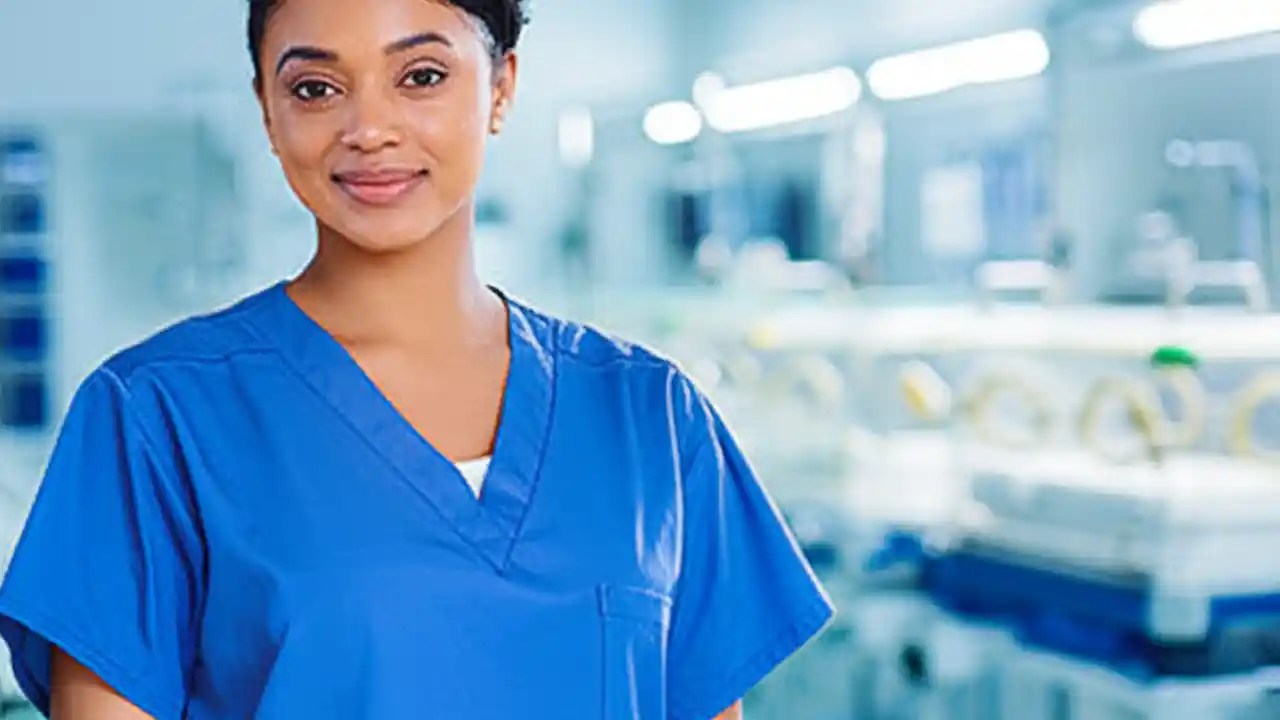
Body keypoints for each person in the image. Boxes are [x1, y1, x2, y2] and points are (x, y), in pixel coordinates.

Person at [0, 0, 834, 717]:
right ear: (267, 110)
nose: (369, 130)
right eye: (315, 88)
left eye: (422, 76)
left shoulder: (650, 416)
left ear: (501, 86)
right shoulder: (156, 416)